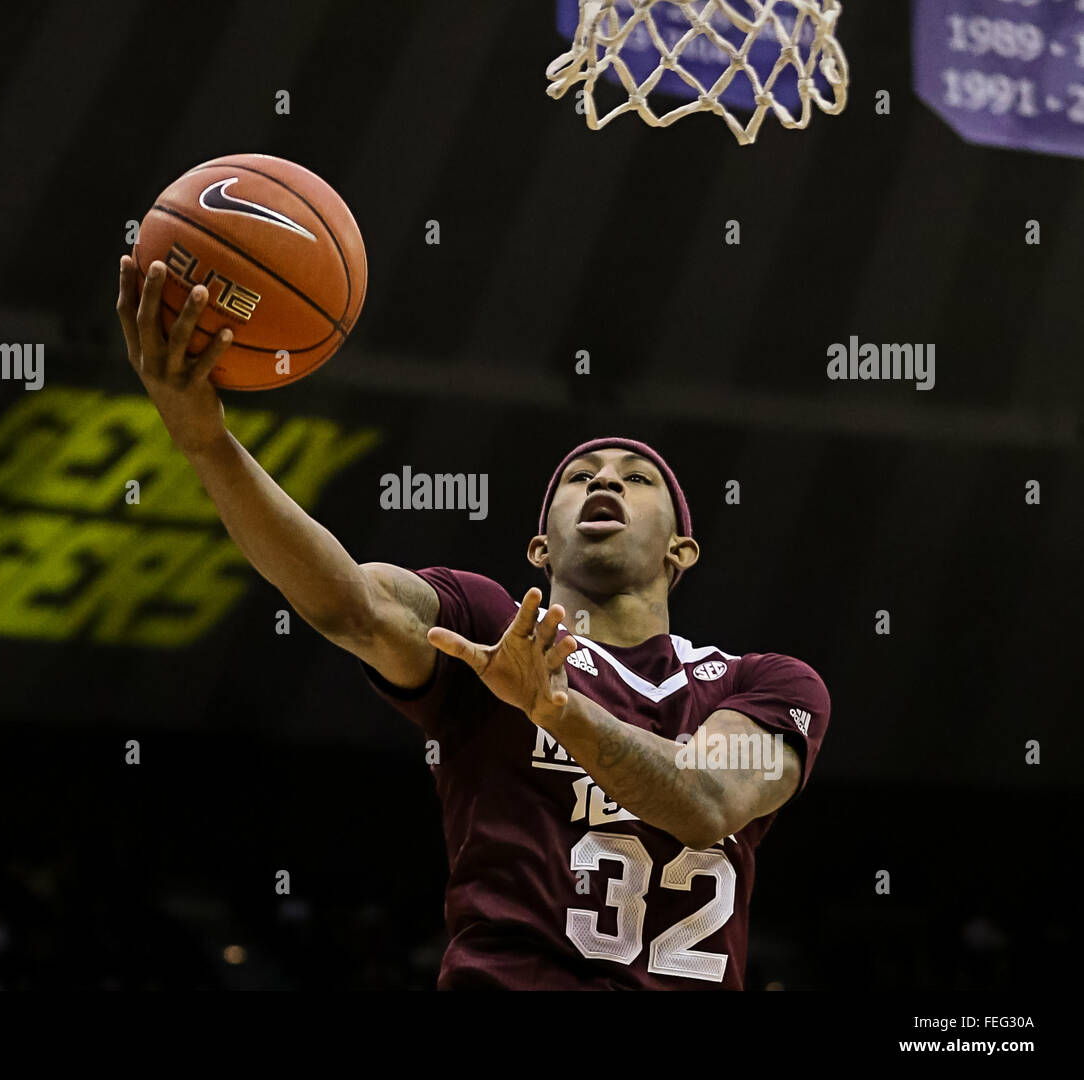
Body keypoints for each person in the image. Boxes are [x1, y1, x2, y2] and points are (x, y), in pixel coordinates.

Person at [117, 257, 831, 989]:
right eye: (581, 477)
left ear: (682, 547)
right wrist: (207, 443)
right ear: (541, 546)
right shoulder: (489, 626)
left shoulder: (765, 683)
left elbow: (706, 803)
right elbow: (348, 605)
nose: (607, 480)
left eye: (636, 477)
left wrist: (556, 710)